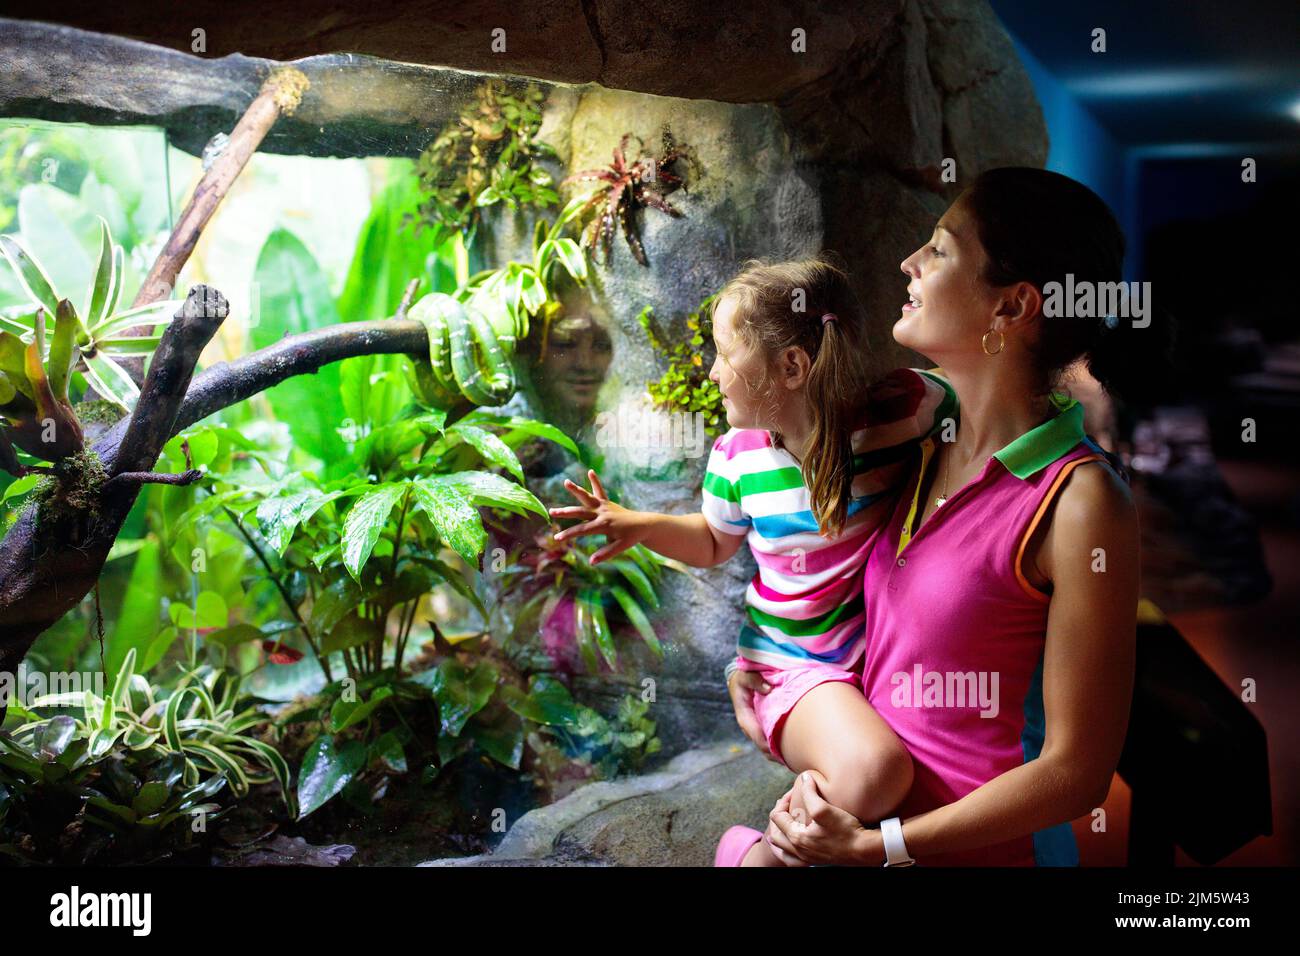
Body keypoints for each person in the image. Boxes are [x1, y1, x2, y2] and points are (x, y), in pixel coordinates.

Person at [751, 167, 1143, 867]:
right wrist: (767, 677)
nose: (910, 262)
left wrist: (881, 847)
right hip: (863, 832)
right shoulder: (919, 446)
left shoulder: (1081, 502)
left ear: (1010, 308)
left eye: (940, 248)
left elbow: (1077, 773)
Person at [547, 254, 955, 865]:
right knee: (876, 774)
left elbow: (976, 390)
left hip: (868, 658)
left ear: (791, 366)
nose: (711, 372)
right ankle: (753, 857)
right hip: (789, 665)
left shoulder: (903, 411)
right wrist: (637, 525)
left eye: (722, 352)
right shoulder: (738, 456)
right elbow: (714, 540)